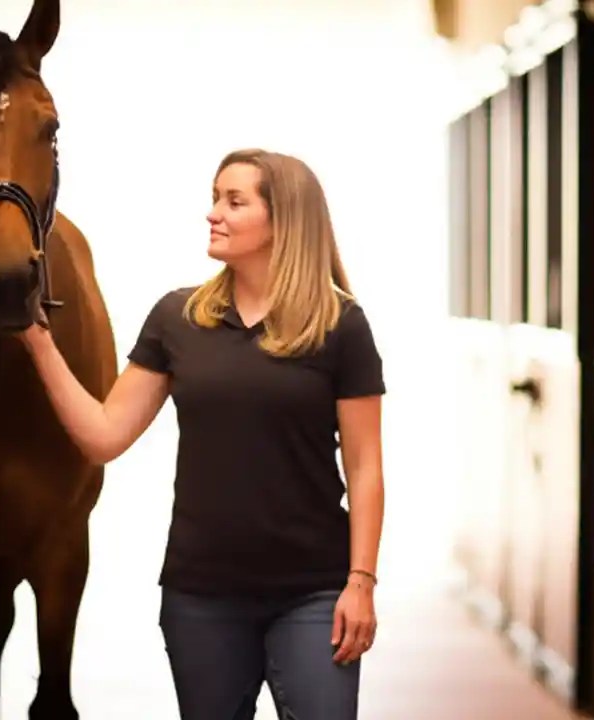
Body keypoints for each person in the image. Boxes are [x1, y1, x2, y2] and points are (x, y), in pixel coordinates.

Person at [19, 148, 386, 720]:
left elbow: (364, 469)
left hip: (314, 592)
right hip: (202, 595)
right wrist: (37, 340)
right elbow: (103, 436)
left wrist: (361, 582)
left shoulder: (340, 327)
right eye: (216, 197)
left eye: (234, 201)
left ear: (283, 219)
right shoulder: (178, 318)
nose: (213, 213)